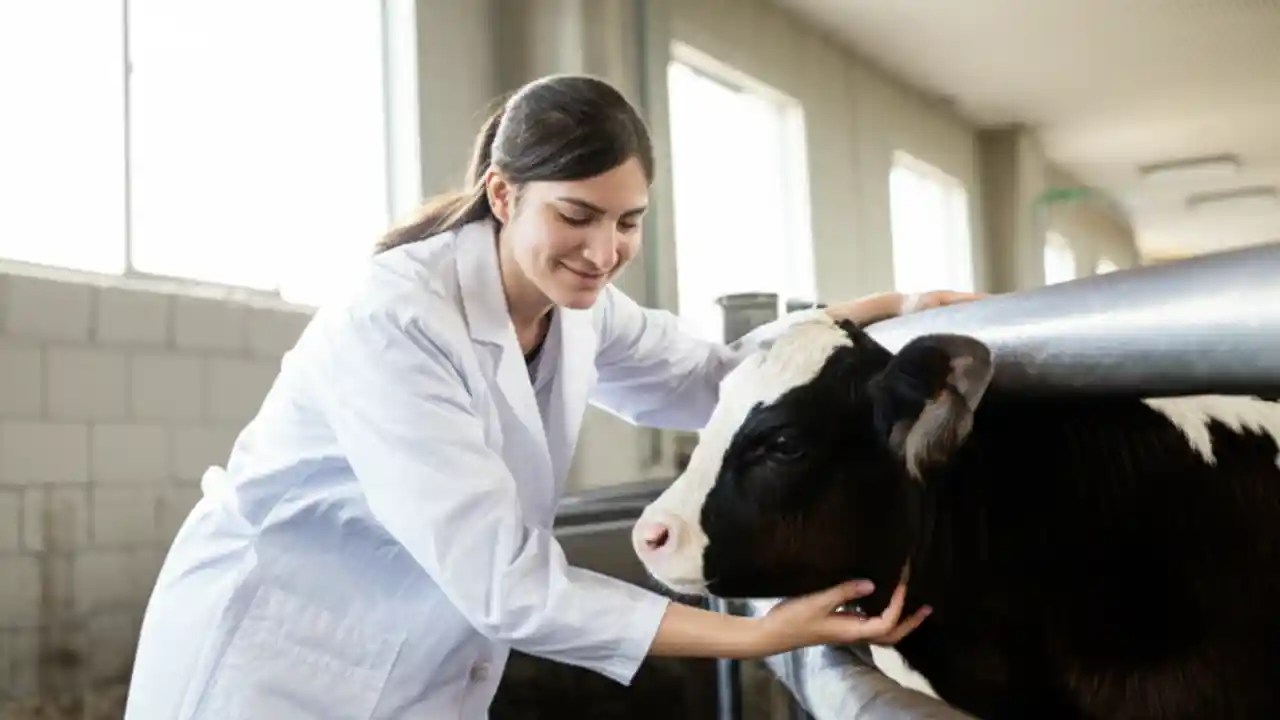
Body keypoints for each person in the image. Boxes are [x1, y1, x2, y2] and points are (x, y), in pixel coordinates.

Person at [124, 73, 981, 719]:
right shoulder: (395, 324)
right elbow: (509, 585)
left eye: (628, 221)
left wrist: (885, 309)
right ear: (503, 194)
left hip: (410, 661)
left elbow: (712, 378)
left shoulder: (578, 311)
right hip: (273, 663)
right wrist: (760, 633)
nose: (603, 251)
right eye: (576, 215)